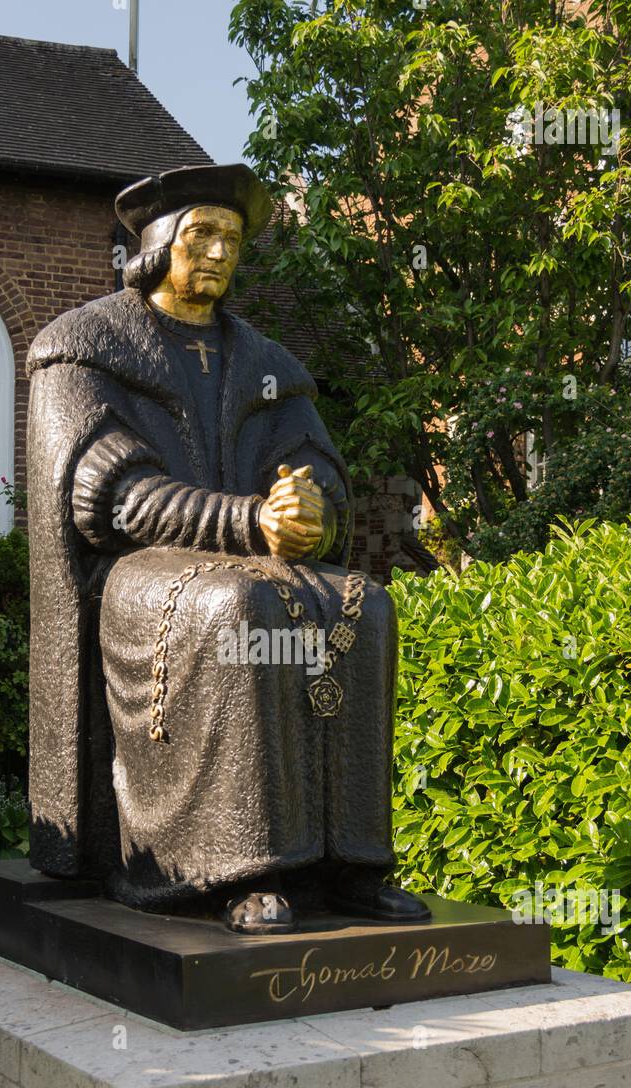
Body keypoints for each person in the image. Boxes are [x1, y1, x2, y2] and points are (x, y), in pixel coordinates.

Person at [27, 163, 429, 933]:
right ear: (155, 244)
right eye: (200, 234)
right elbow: (109, 497)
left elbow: (317, 468)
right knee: (239, 603)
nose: (216, 253)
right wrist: (250, 524)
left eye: (232, 240)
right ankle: (236, 867)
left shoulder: (268, 366)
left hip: (253, 556)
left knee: (363, 603)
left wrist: (312, 510)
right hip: (128, 573)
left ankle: (348, 863)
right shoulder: (82, 348)